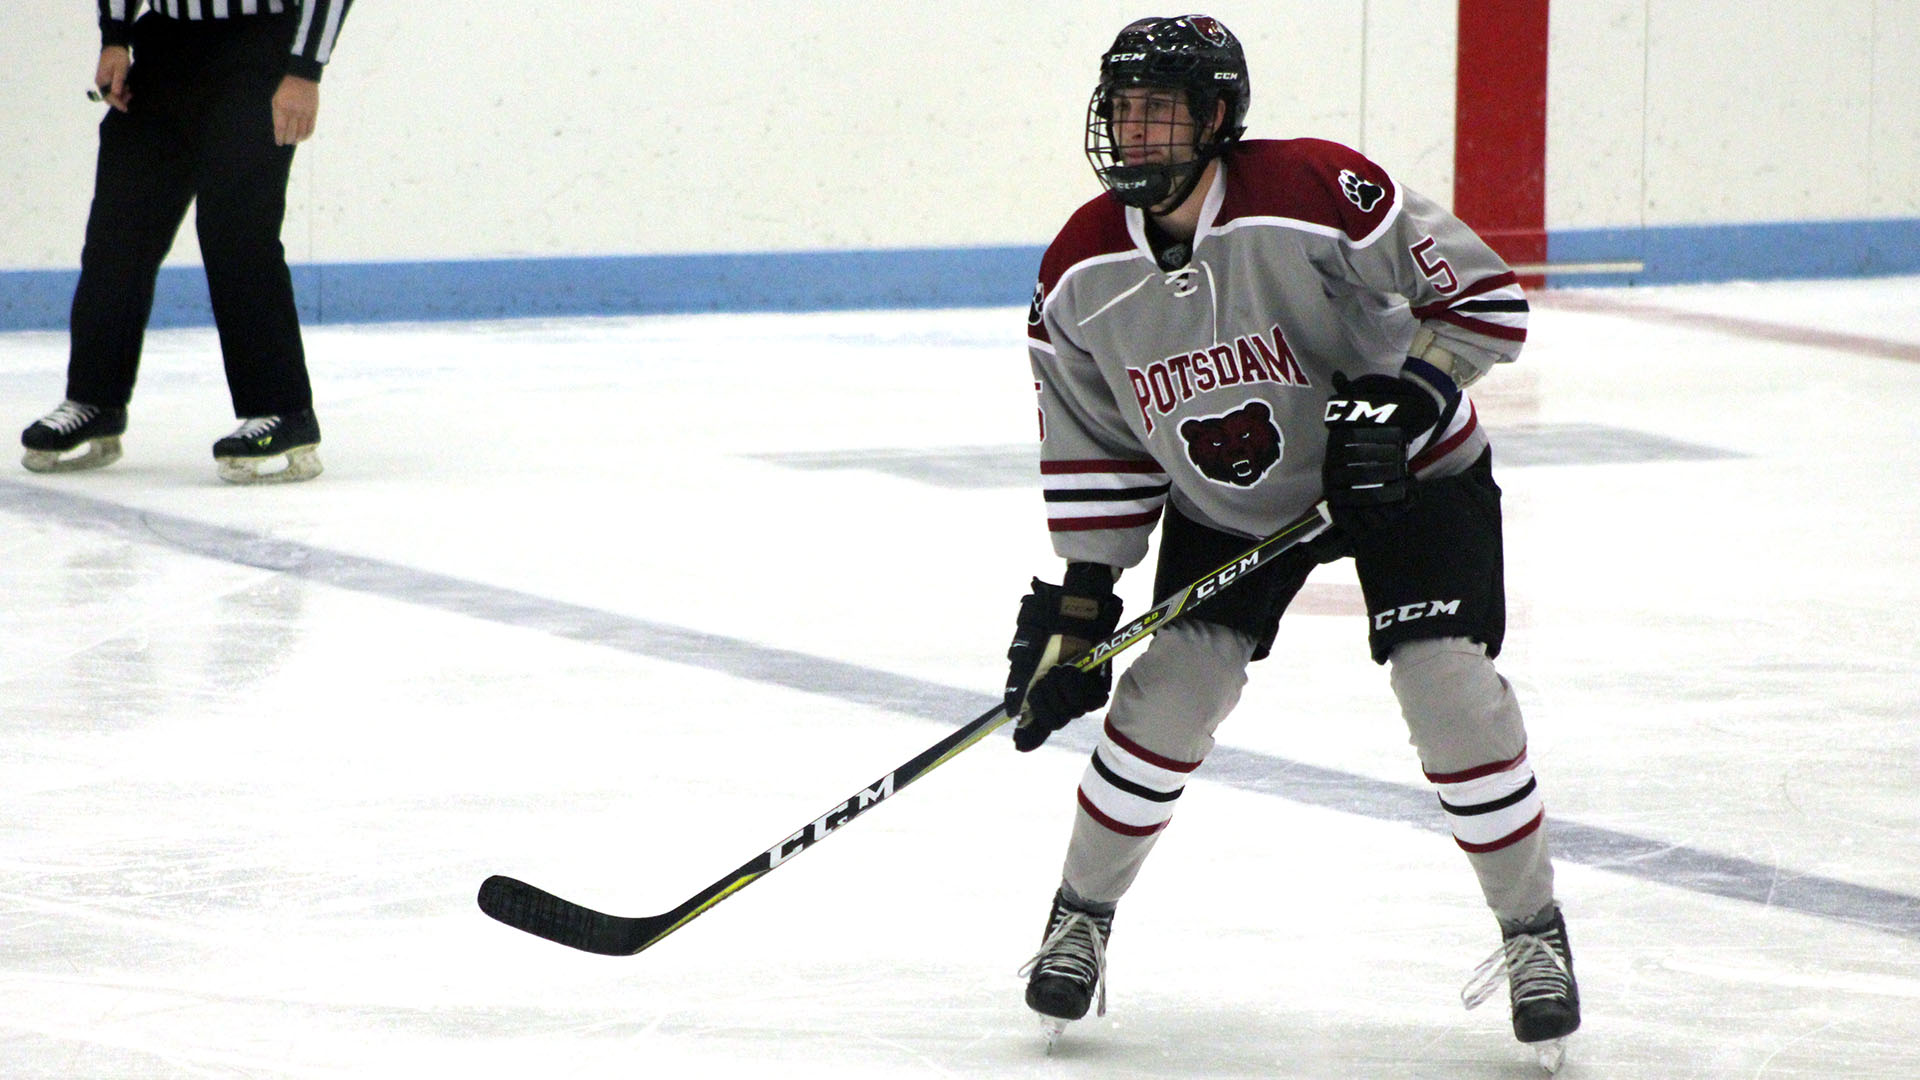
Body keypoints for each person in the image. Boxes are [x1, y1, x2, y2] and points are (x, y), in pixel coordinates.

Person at [1003, 13, 1580, 1066]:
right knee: (1168, 693)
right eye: (1122, 110)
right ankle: (1080, 917)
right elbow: (1102, 450)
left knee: (1446, 690)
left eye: (1159, 112)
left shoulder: (1316, 192)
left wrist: (1405, 400)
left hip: (1407, 480)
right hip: (1237, 507)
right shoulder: (1079, 275)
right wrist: (1083, 604)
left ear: (1217, 118)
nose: (1133, 134)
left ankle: (1534, 934)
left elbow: (1484, 299)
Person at [20, 0, 355, 484]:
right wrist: (115, 35)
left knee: (236, 230)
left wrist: (305, 71)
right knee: (120, 226)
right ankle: (95, 400)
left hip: (259, 46)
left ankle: (283, 411)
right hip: (165, 47)